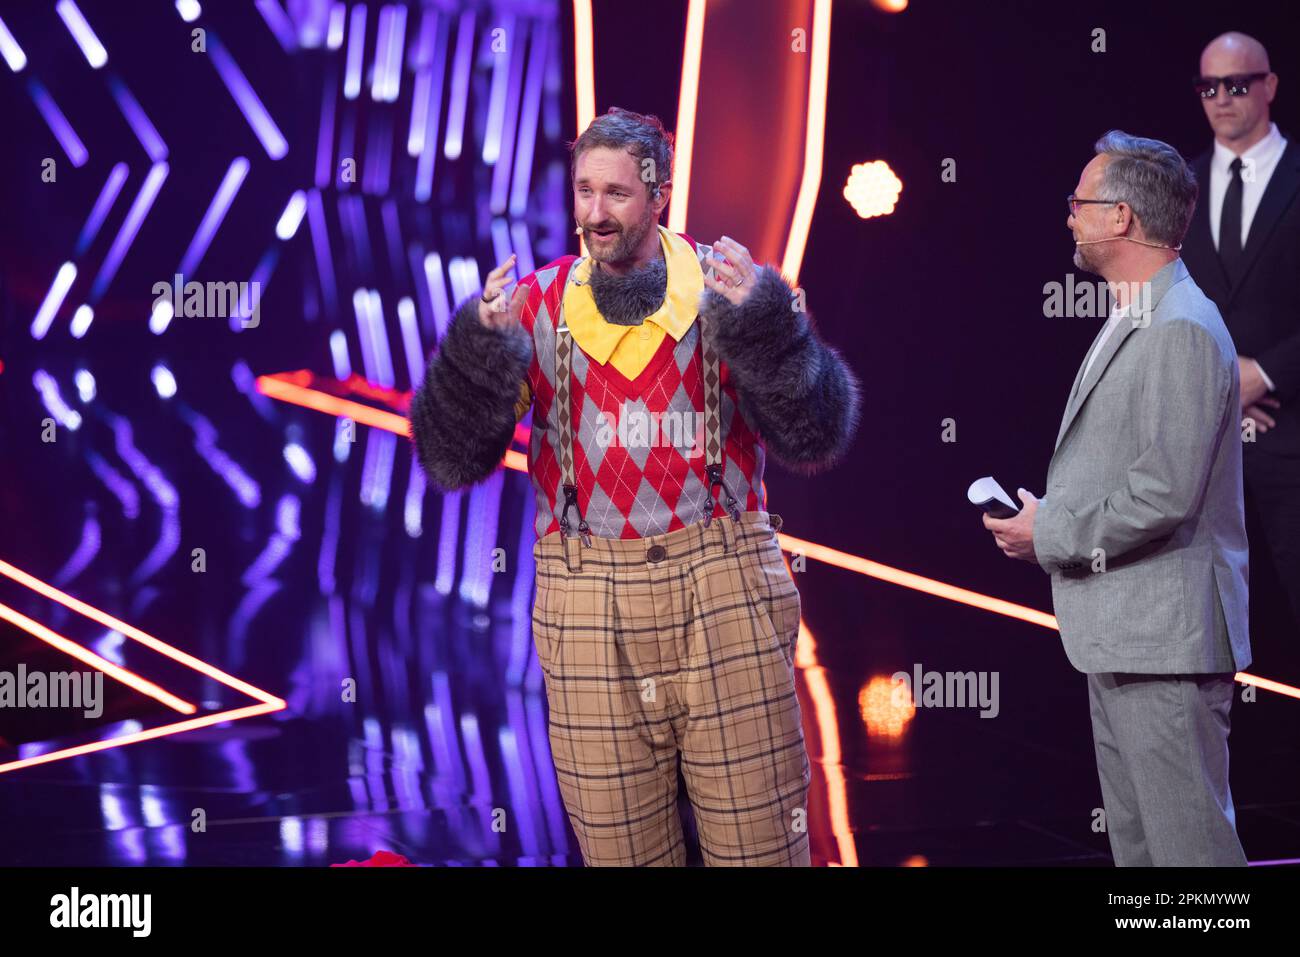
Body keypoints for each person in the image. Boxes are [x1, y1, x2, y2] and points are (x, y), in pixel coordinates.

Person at [409, 107, 861, 865]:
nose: (594, 213)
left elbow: (814, 432)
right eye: (584, 191)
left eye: (615, 194)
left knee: (759, 848)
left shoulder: (727, 290)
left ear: (660, 190)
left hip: (725, 591)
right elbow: (455, 457)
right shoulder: (536, 306)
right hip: (587, 601)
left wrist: (772, 328)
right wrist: (476, 355)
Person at [983, 131, 1251, 866]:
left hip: (1164, 640)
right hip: (1126, 634)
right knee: (1142, 855)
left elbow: (1164, 491)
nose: (1069, 215)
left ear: (1122, 216)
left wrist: (1052, 531)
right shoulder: (1137, 315)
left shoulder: (1180, 328)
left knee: (1187, 857)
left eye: (1081, 201)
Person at [1180, 31, 1300, 682]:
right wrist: (1224, 381)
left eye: (1237, 84)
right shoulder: (1182, 187)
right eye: (1208, 87)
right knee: (1205, 626)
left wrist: (1266, 372)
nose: (1222, 99)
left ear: (1269, 86)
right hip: (1202, 445)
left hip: (1291, 433)